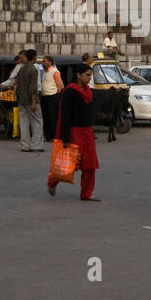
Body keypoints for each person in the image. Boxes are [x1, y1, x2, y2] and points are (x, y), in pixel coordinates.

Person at [48, 63, 101, 201]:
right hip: (74, 131)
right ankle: (52, 183)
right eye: (87, 75)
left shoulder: (89, 92)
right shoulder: (69, 92)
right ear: (78, 75)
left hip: (87, 131)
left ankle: (86, 193)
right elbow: (65, 116)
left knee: (90, 164)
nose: (89, 78)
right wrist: (66, 138)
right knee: (69, 163)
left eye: (91, 75)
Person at [0, 49, 43, 152]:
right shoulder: (33, 69)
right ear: (33, 58)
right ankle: (36, 145)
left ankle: (25, 145)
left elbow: (14, 82)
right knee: (37, 122)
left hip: (21, 99)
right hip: (31, 99)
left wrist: (2, 85)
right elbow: (33, 87)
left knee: (24, 122)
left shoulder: (20, 69)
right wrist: (33, 102)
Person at [40, 55, 63, 141]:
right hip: (45, 97)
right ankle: (48, 135)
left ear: (50, 62)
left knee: (52, 117)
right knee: (46, 117)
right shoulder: (45, 72)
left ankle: (54, 136)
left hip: (52, 97)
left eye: (44, 61)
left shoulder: (54, 72)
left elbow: (60, 85)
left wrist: (56, 94)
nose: (43, 63)